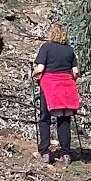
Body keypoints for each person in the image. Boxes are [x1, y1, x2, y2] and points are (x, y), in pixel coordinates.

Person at [33, 23, 81, 164]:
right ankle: (66, 154)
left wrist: (32, 73)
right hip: (66, 86)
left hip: (49, 85)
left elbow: (40, 68)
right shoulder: (69, 50)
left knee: (45, 118)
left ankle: (45, 152)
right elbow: (76, 72)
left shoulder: (46, 47)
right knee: (64, 119)